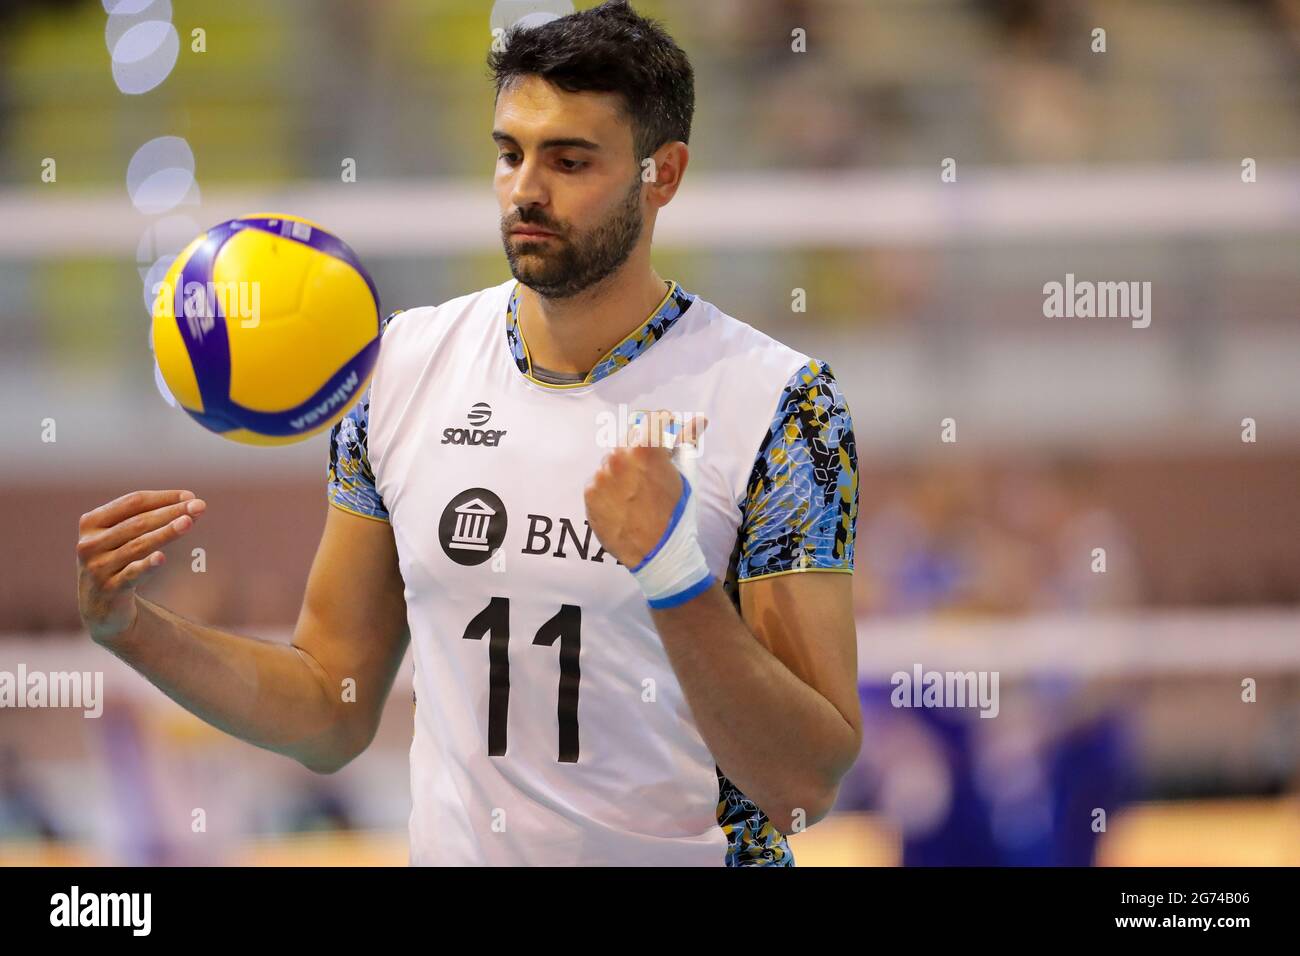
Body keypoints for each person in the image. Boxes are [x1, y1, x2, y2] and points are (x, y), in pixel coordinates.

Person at [76, 0, 860, 866]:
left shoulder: (782, 405)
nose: (527, 187)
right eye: (510, 153)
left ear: (661, 174)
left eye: (570, 160)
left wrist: (673, 574)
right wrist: (130, 628)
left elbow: (801, 788)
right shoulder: (399, 372)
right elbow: (330, 711)